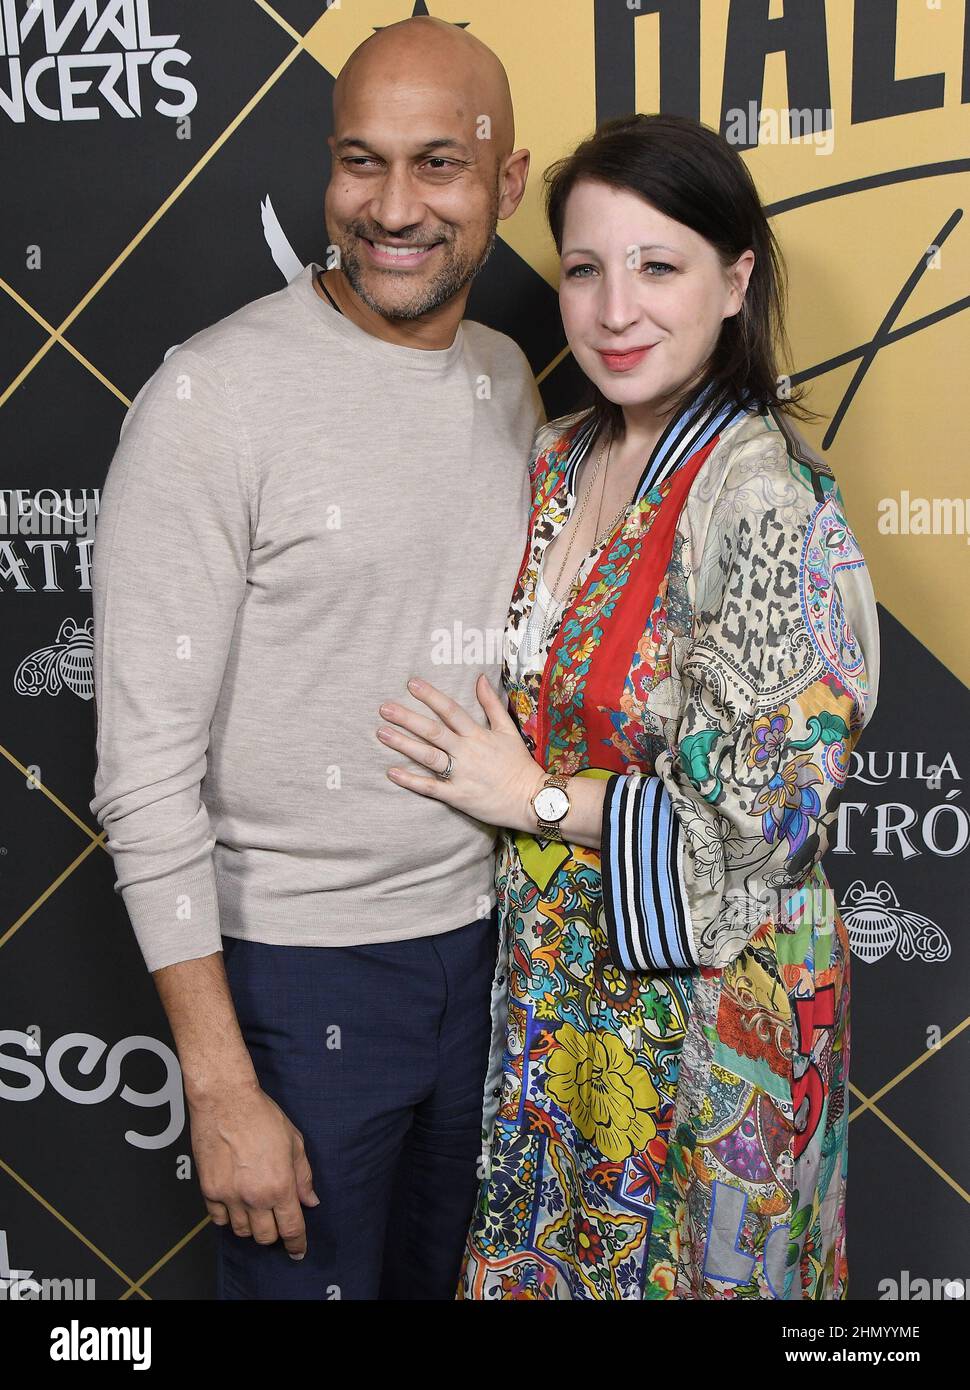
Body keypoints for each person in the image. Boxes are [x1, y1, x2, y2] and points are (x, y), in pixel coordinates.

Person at [375, 112, 881, 1300]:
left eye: (659, 267)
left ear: (734, 279)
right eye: (587, 270)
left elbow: (769, 814)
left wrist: (536, 796)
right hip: (559, 985)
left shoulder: (763, 498)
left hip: (711, 1008)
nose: (615, 311)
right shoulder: (557, 455)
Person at [89, 15, 543, 1300]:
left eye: (439, 165)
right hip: (293, 985)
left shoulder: (507, 378)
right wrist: (222, 1081)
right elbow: (141, 771)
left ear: (507, 185)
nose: (394, 207)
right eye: (362, 162)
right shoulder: (212, 398)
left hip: (491, 954)